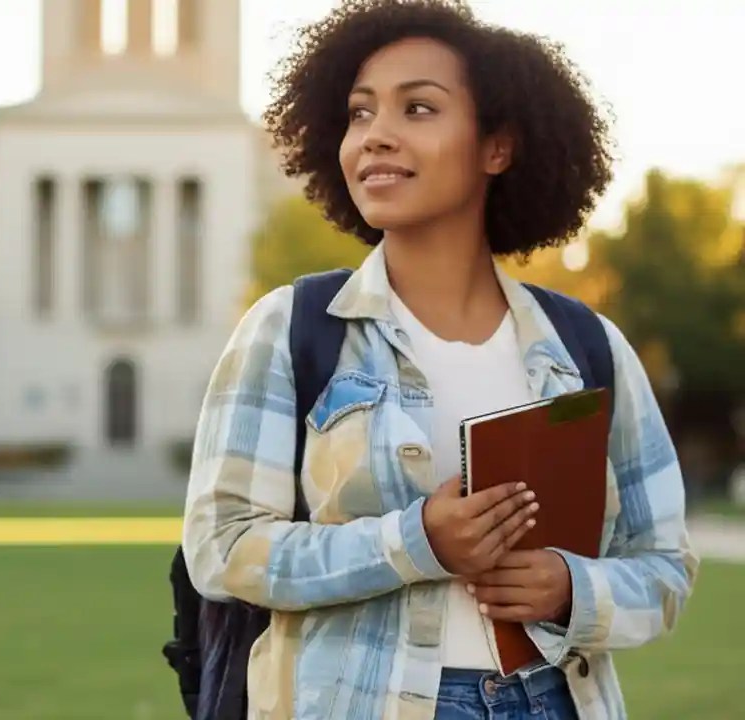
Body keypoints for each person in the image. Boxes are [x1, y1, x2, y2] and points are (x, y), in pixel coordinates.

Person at [180, 1, 698, 718]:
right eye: (360, 115)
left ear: (497, 147)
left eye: (418, 109)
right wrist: (414, 541)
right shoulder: (292, 327)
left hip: (550, 700)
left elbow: (665, 566)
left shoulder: (588, 348)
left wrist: (570, 589)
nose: (375, 137)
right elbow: (220, 547)